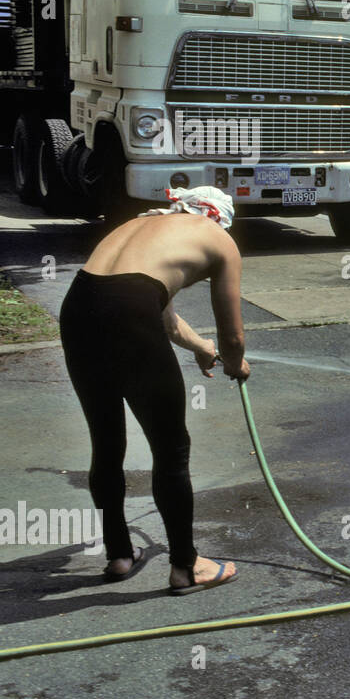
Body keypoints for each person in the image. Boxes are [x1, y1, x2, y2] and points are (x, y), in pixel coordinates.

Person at [59, 186, 251, 594]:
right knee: (171, 449)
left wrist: (200, 347)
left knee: (106, 440)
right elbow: (232, 335)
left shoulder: (146, 224)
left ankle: (119, 554)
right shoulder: (219, 239)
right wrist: (235, 364)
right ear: (217, 218)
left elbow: (155, 310)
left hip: (78, 307)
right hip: (127, 311)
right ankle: (186, 566)